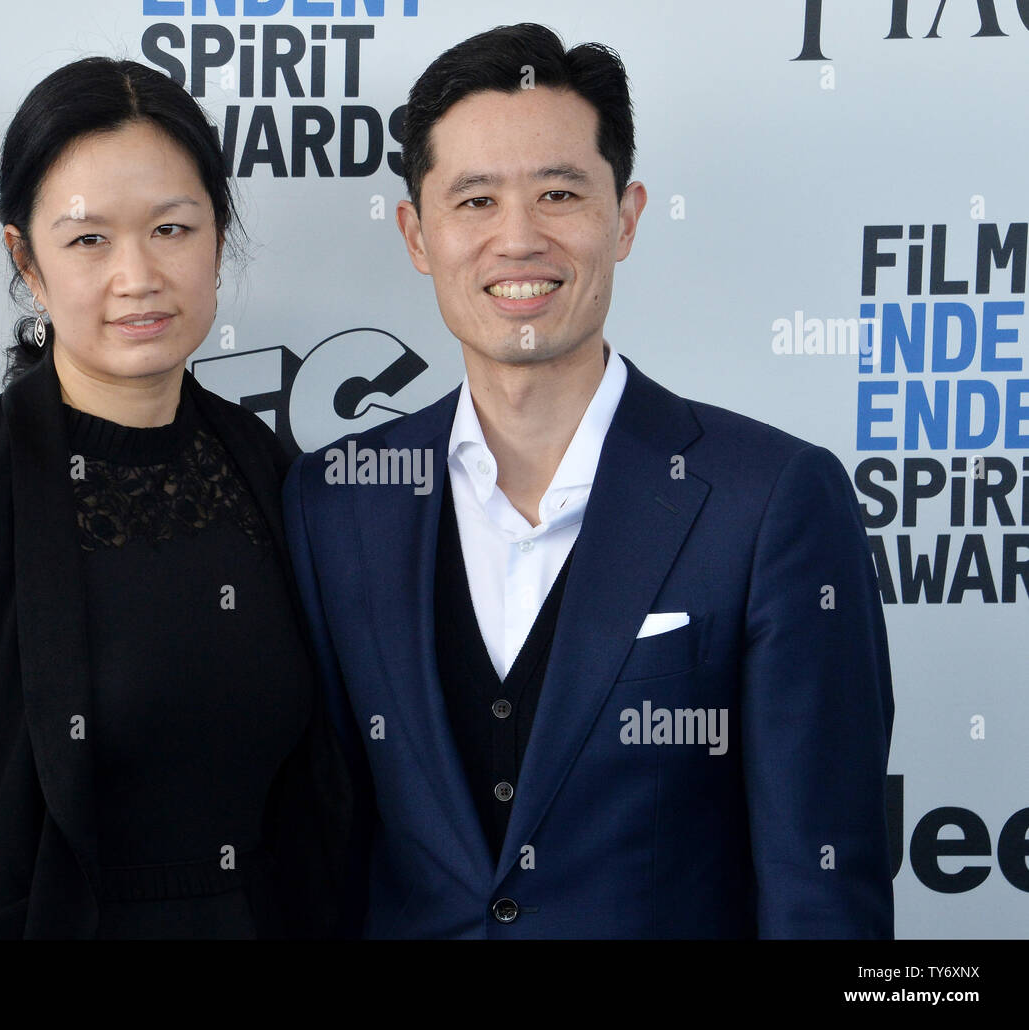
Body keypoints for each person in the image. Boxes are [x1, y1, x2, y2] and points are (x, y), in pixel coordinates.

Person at [282, 23, 894, 938]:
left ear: (627, 216)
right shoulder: (338, 501)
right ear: (417, 233)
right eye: (475, 201)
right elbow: (325, 850)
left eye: (559, 193)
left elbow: (823, 889)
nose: (518, 239)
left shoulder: (772, 500)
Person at [0, 56, 348, 939]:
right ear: (25, 259)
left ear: (219, 233)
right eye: (88, 239)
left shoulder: (268, 470)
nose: (137, 275)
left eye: (172, 229)